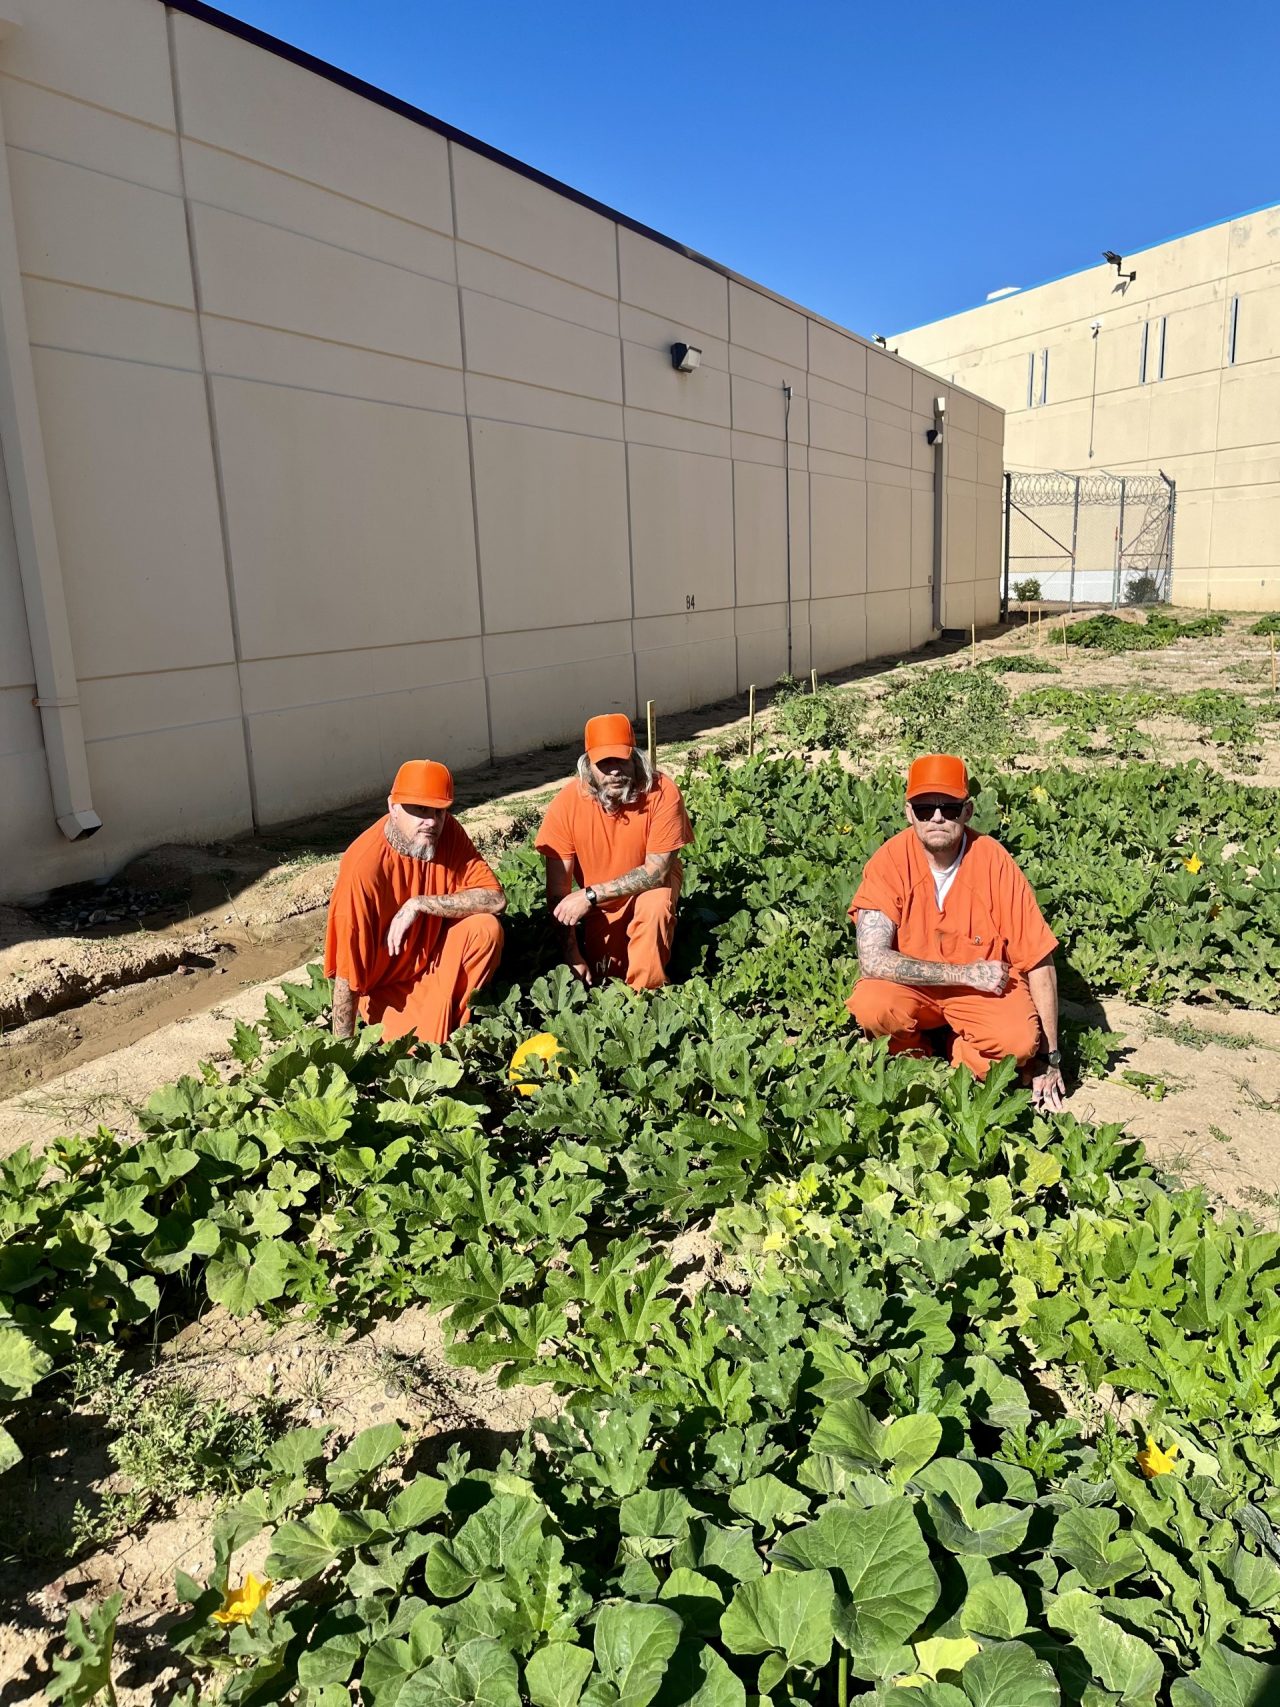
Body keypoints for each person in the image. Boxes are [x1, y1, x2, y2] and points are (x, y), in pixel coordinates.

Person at [847, 753, 1065, 1109]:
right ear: (908, 812)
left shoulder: (993, 861)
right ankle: (912, 1055)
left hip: (981, 992)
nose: (937, 817)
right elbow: (871, 959)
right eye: (924, 808)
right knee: (873, 1004)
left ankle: (959, 1053)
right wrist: (963, 973)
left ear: (967, 811)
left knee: (1019, 1042)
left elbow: (1038, 959)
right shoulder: (889, 861)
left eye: (948, 808)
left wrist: (1049, 1057)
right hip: (915, 988)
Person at [324, 759, 505, 1044]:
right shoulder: (363, 870)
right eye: (420, 809)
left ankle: (452, 1024)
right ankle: (437, 1032)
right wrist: (341, 1053)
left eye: (439, 811)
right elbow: (346, 974)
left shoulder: (447, 831)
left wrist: (418, 904)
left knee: (486, 929)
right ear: (393, 807)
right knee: (416, 1052)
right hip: (386, 991)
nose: (431, 822)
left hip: (435, 962)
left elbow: (495, 899)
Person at [535, 714, 692, 990]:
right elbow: (558, 893)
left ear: (636, 759)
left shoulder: (662, 792)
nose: (614, 771)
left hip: (644, 891)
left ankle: (648, 998)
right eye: (604, 763)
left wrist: (590, 895)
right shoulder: (566, 804)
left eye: (621, 760)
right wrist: (572, 956)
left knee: (655, 904)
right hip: (601, 906)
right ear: (588, 766)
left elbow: (657, 873)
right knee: (609, 976)